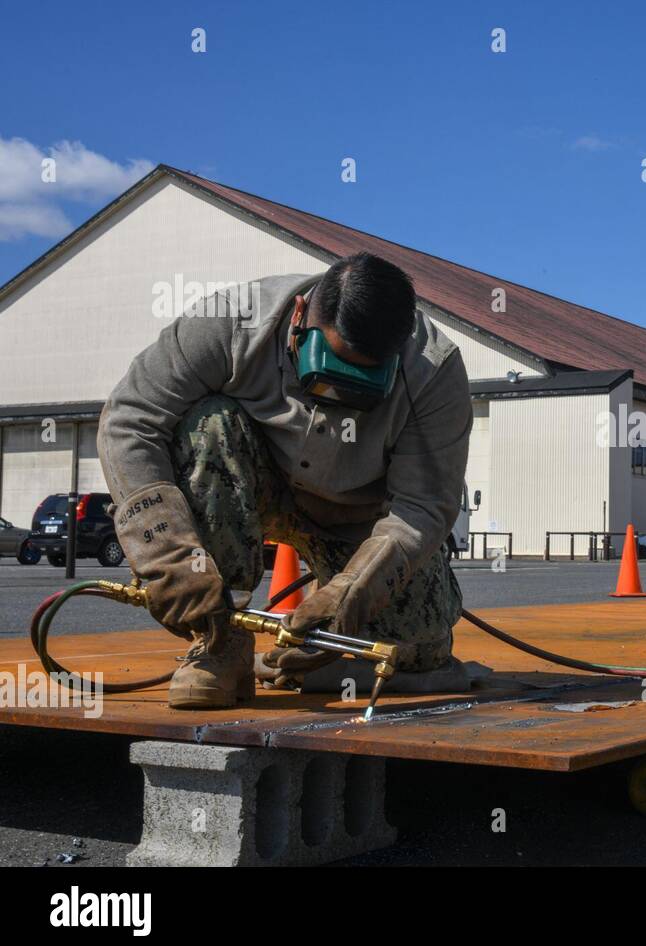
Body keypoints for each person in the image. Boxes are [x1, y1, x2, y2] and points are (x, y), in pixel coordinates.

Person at [97, 252, 472, 708]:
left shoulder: (434, 371)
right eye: (332, 369)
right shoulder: (231, 322)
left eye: (362, 382)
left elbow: (423, 505)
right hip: (254, 490)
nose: (339, 395)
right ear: (300, 317)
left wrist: (353, 590)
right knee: (207, 423)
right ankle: (221, 645)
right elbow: (130, 420)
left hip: (358, 520)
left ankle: (336, 651)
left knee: (419, 651)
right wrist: (168, 557)